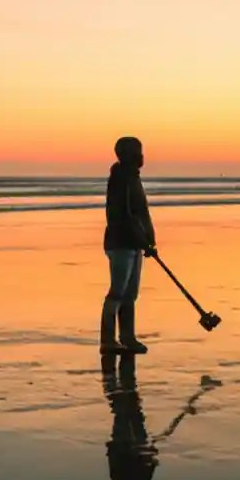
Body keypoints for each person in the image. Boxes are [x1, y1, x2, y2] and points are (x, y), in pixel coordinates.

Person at [101, 136, 156, 355]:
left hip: (134, 243)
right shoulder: (120, 178)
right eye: (138, 151)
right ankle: (107, 340)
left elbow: (142, 212)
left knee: (130, 293)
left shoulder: (133, 177)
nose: (142, 155)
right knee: (118, 291)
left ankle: (127, 337)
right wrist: (142, 240)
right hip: (120, 243)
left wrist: (150, 239)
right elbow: (123, 215)